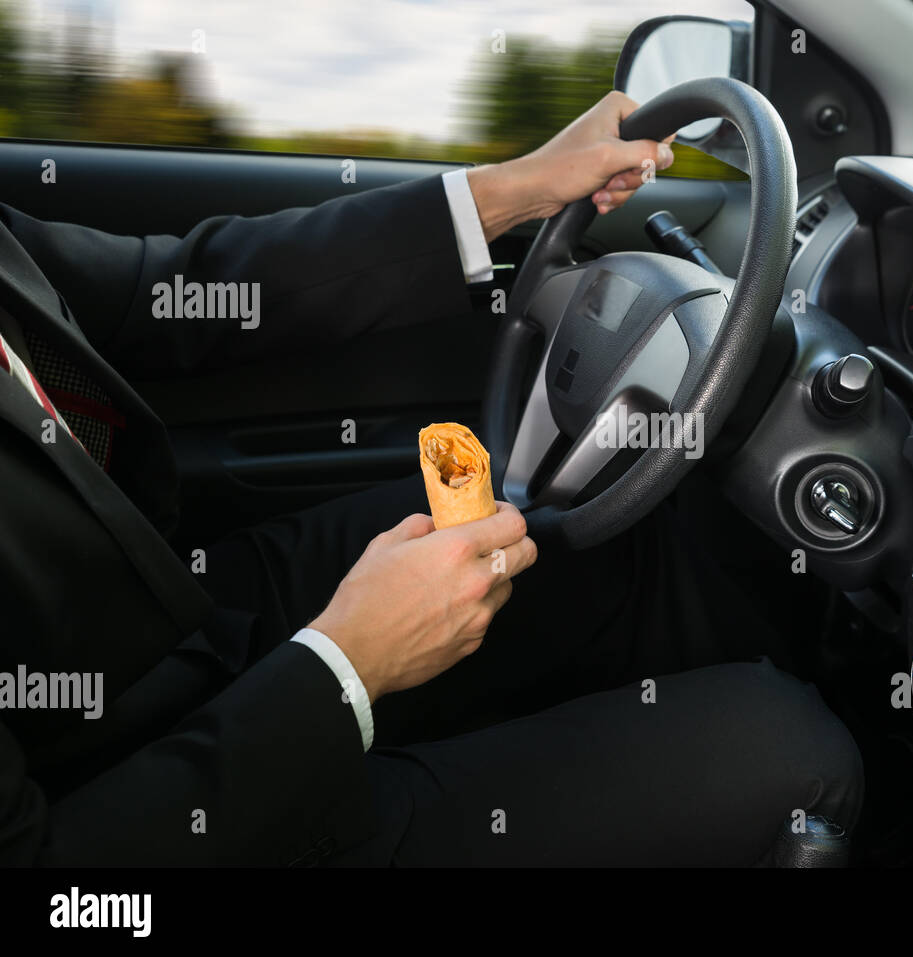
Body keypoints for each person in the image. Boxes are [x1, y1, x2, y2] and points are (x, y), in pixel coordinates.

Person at [0, 91, 863, 866]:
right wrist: (346, 665)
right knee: (799, 758)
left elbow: (171, 289)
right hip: (165, 803)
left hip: (164, 621)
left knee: (590, 551)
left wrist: (514, 188)